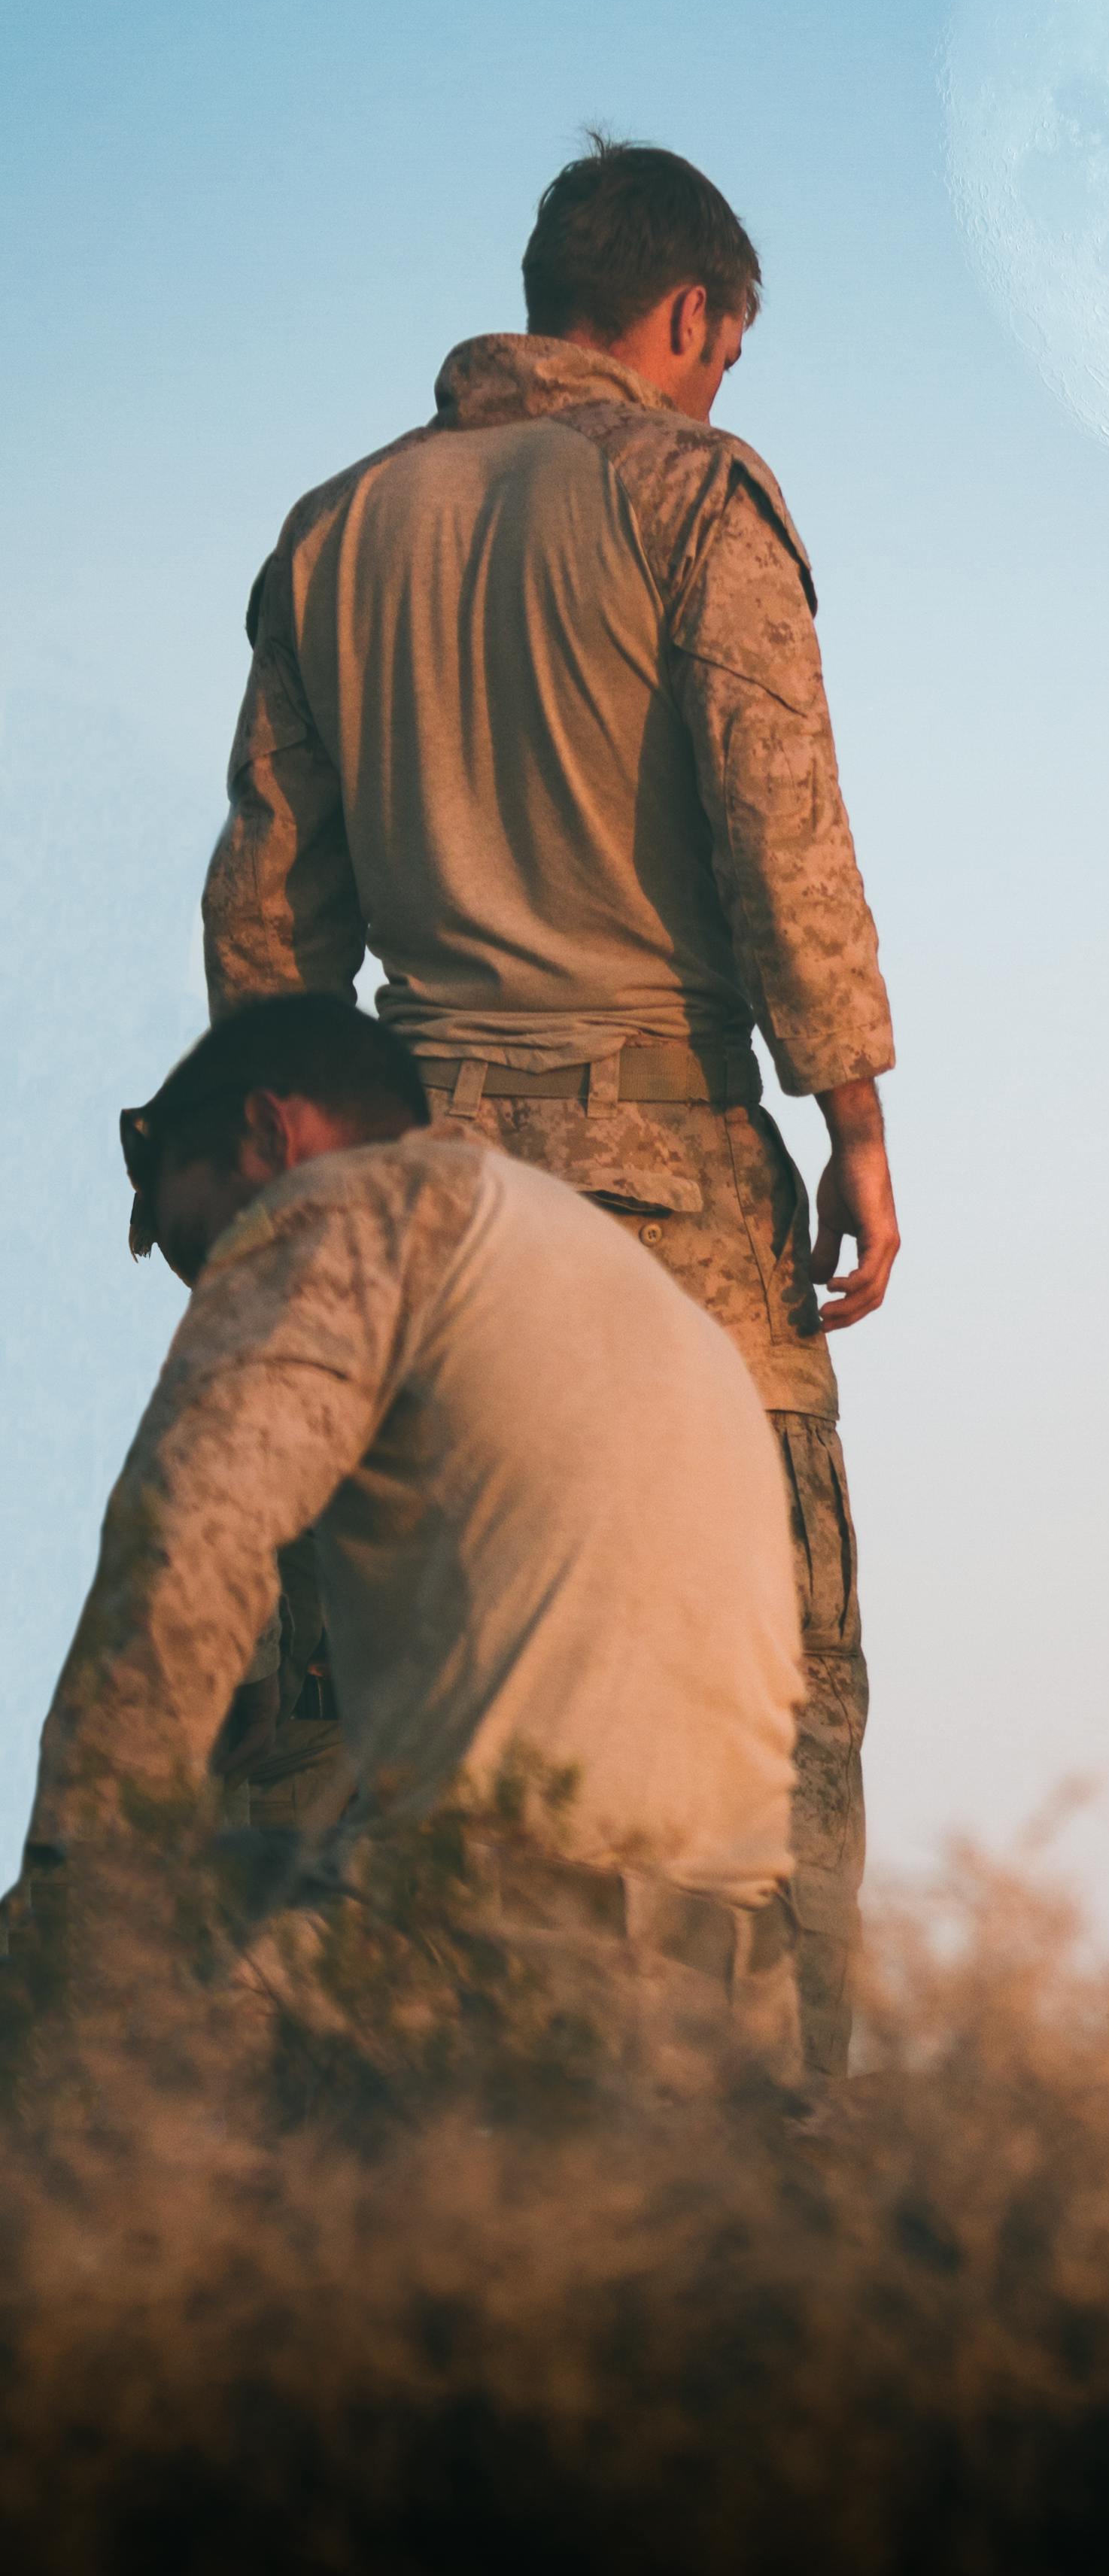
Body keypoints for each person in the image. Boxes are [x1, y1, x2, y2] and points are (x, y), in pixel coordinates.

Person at [202, 137, 895, 2072]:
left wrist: (300, 1206)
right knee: (773, 1688)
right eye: (726, 349)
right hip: (668, 1195)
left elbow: (265, 915)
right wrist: (853, 1121)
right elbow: (783, 833)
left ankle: (291, 2146)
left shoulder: (334, 529)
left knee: (353, 1681)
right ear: (690, 314)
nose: (720, 383)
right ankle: (782, 2164)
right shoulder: (692, 496)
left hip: (399, 1183)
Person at [26, 997, 804, 2049]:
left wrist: (65, 1924)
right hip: (732, 2001)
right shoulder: (634, 1293)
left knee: (74, 2005)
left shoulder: (358, 1209)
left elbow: (181, 1554)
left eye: (209, 1244)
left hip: (498, 1959)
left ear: (270, 1133)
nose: (217, 1295)